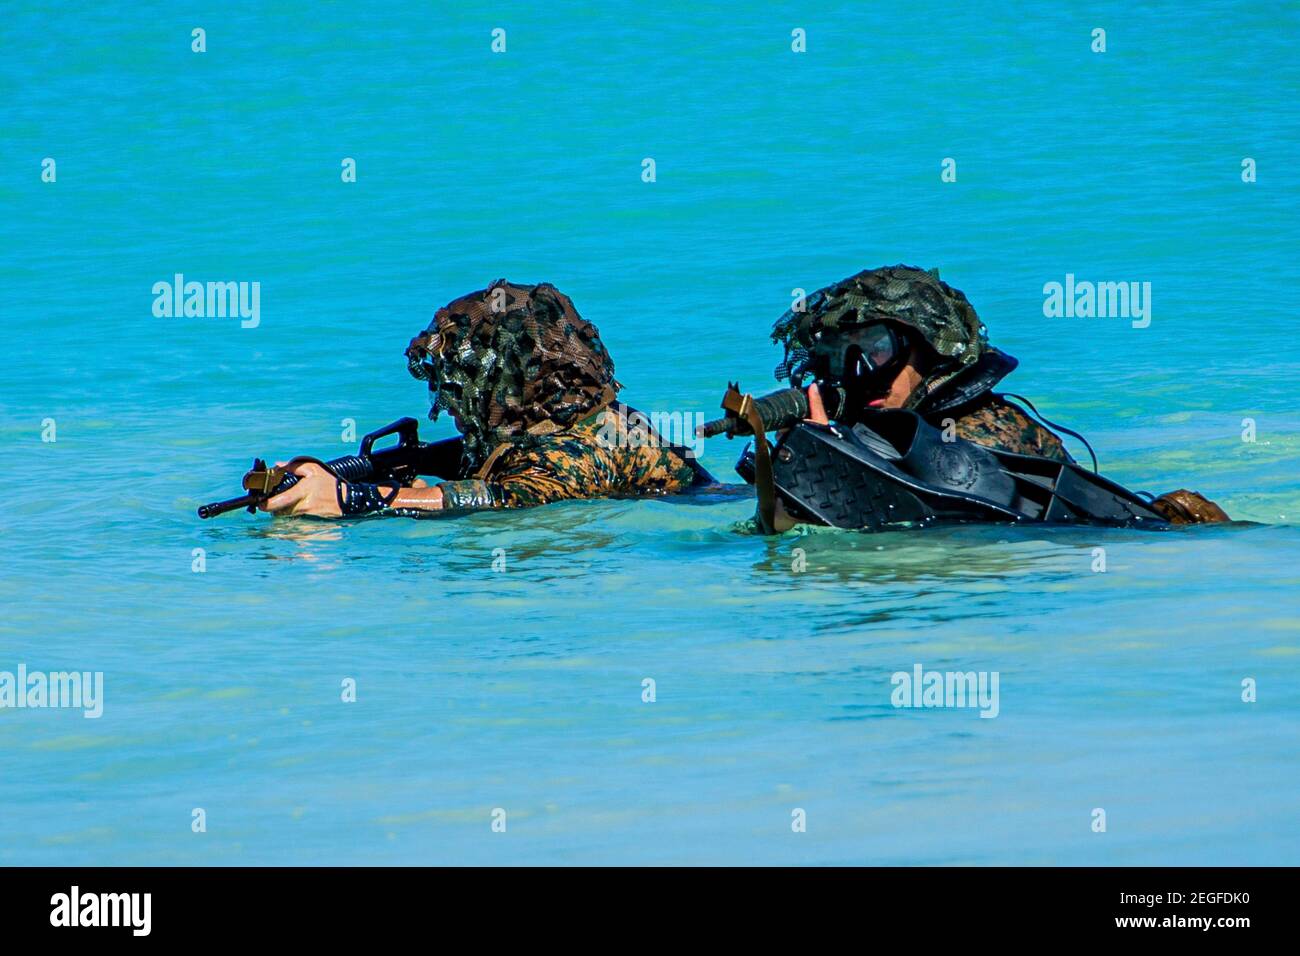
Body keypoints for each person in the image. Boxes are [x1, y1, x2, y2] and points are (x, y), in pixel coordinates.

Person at [762, 264, 1228, 531]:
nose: (864, 373)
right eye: (841, 356)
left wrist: (823, 464)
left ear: (928, 347)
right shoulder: (885, 436)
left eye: (878, 348)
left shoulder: (984, 431)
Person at [262, 280, 706, 518]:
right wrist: (349, 470)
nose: (452, 402)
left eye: (466, 383)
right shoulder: (575, 415)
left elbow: (493, 498)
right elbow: (495, 460)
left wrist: (348, 499)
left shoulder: (574, 455)